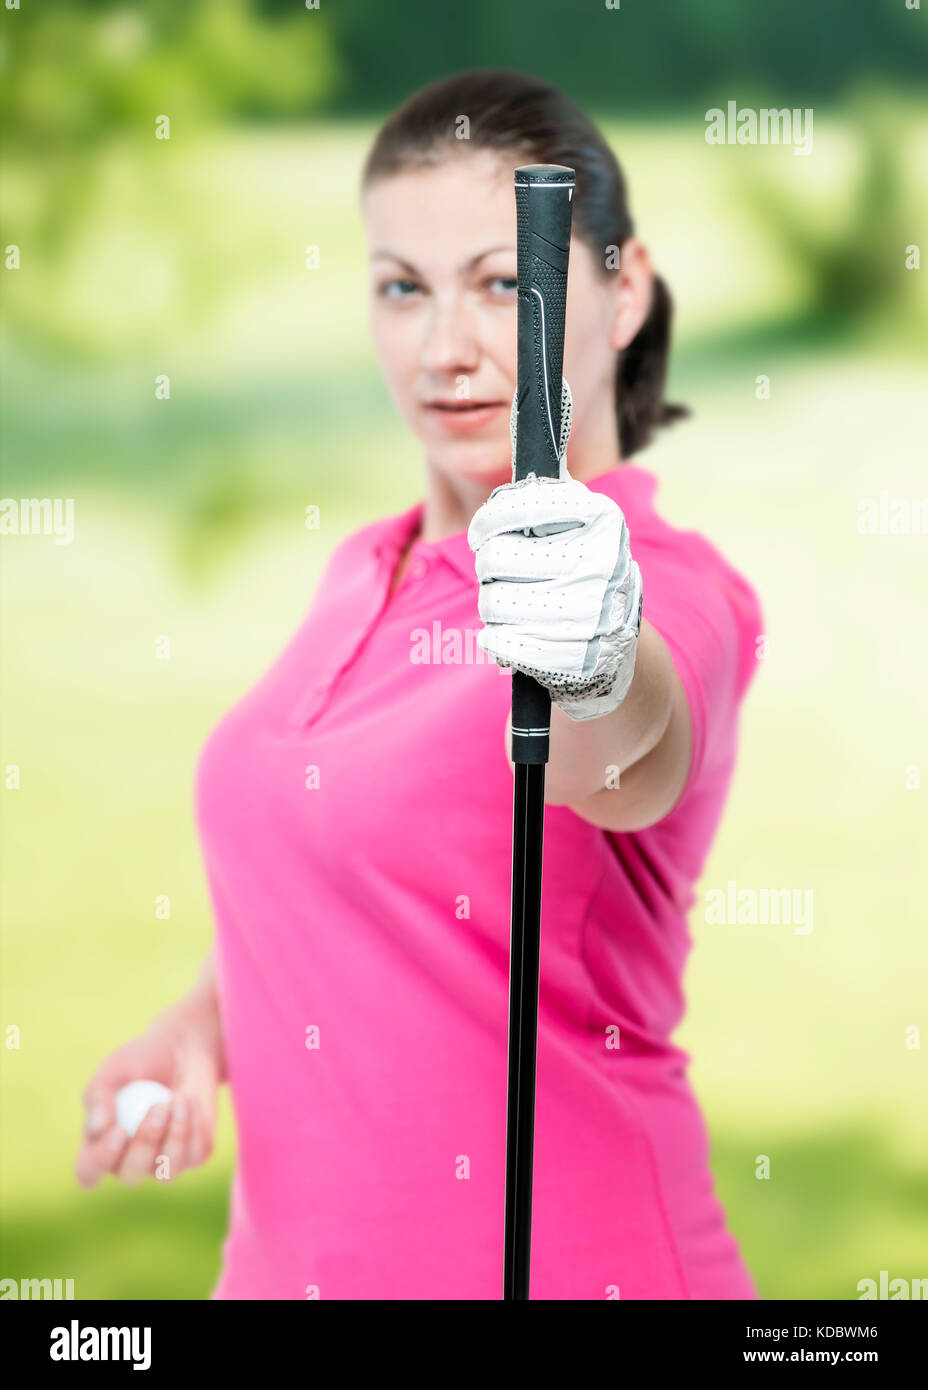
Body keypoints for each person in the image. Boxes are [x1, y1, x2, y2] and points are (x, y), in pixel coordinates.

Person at [75, 68, 763, 1300]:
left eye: (506, 283)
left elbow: (635, 741)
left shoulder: (671, 586)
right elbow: (344, 868)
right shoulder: (366, 567)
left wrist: (596, 652)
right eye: (403, 287)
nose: (445, 349)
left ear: (622, 290)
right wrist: (202, 1029)